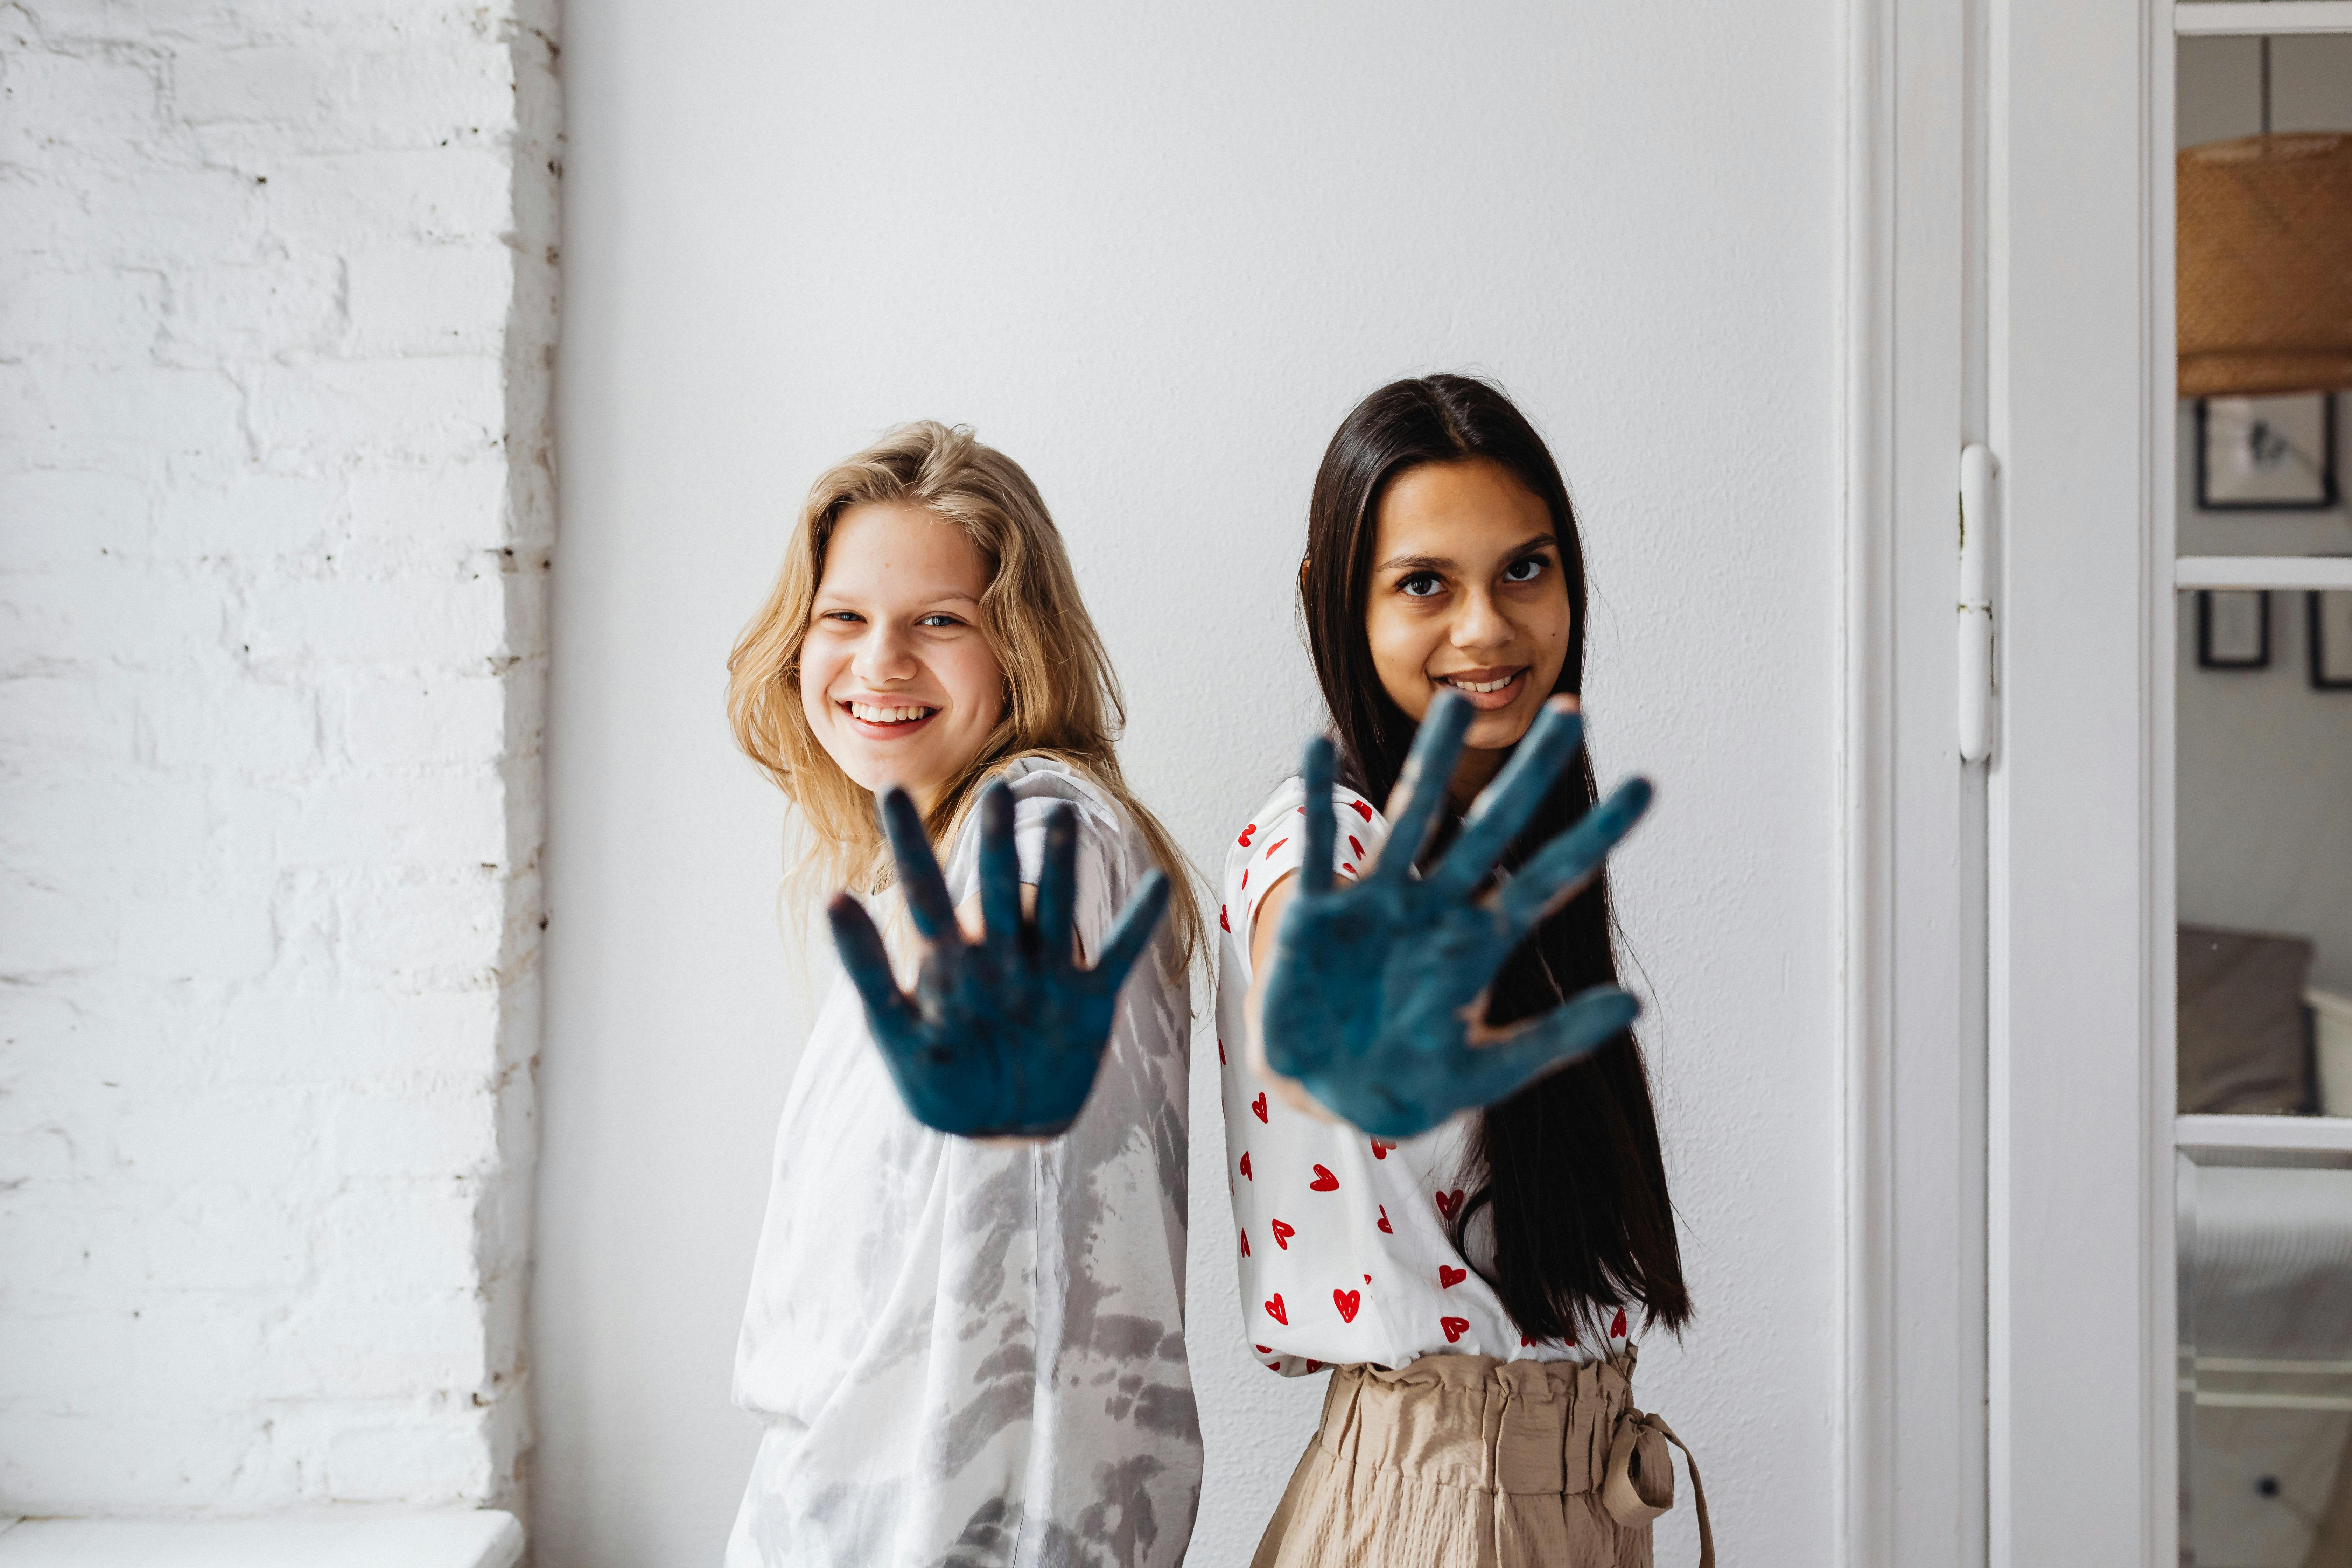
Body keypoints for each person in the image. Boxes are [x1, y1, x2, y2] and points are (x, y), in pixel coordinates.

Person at [1222, 376, 1711, 1567]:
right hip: (1448, 1510)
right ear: (1333, 600)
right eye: (1424, 584)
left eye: (1524, 570)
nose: (1487, 628)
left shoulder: (1513, 846)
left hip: (1569, 1494)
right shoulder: (1326, 841)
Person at [721, 422, 1203, 1568]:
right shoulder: (924, 870)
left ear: (1019, 649)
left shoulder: (1039, 827)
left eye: (939, 621)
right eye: (844, 618)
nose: (880, 661)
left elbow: (1024, 919)